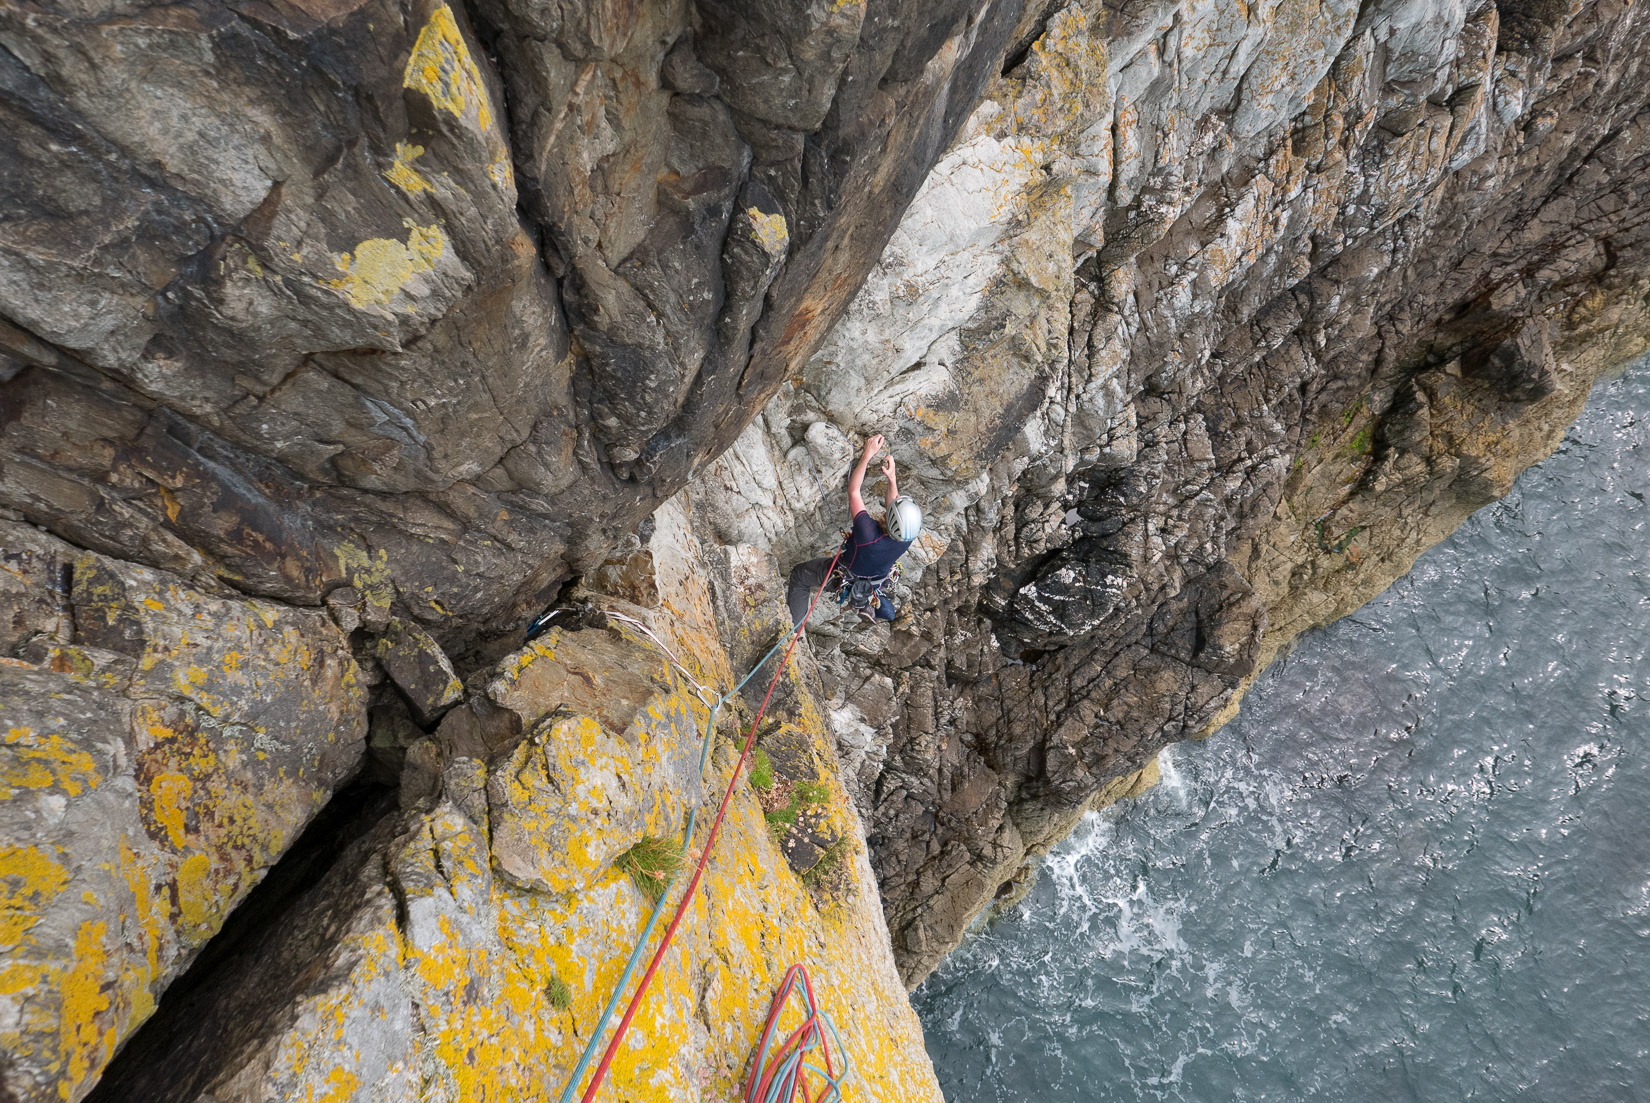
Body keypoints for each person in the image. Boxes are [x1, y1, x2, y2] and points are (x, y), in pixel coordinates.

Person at [786, 433, 923, 628]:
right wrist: (892, 479)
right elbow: (893, 508)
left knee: (800, 575)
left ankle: (793, 629)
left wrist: (867, 455)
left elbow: (854, 491)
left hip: (842, 576)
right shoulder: (907, 536)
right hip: (872, 580)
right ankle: (865, 603)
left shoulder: (867, 532)